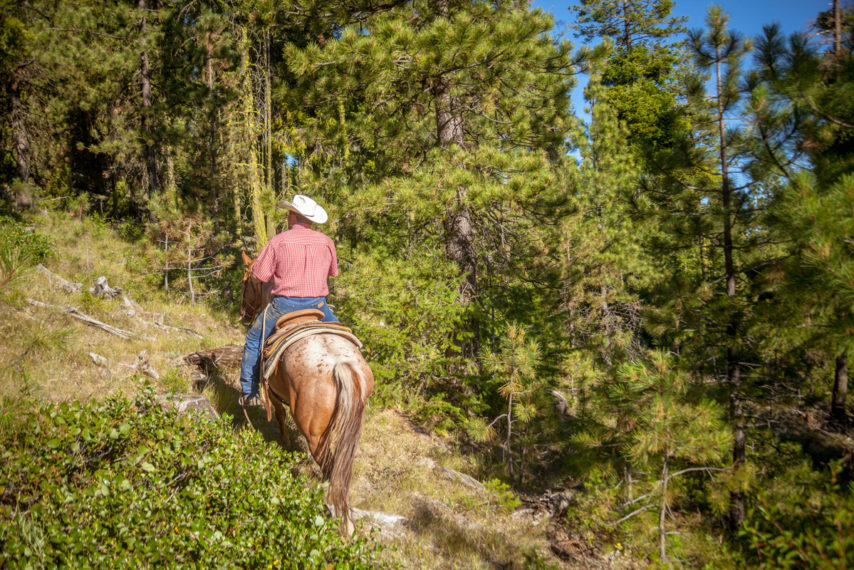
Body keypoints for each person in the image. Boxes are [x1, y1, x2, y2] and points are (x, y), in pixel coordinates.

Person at [239, 194, 339, 404]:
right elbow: (333, 272)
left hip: (283, 306)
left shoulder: (278, 241)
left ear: (293, 216)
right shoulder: (327, 242)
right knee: (343, 339)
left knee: (254, 340)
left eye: (288, 214)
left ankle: (250, 392)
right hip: (319, 306)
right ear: (310, 219)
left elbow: (259, 277)